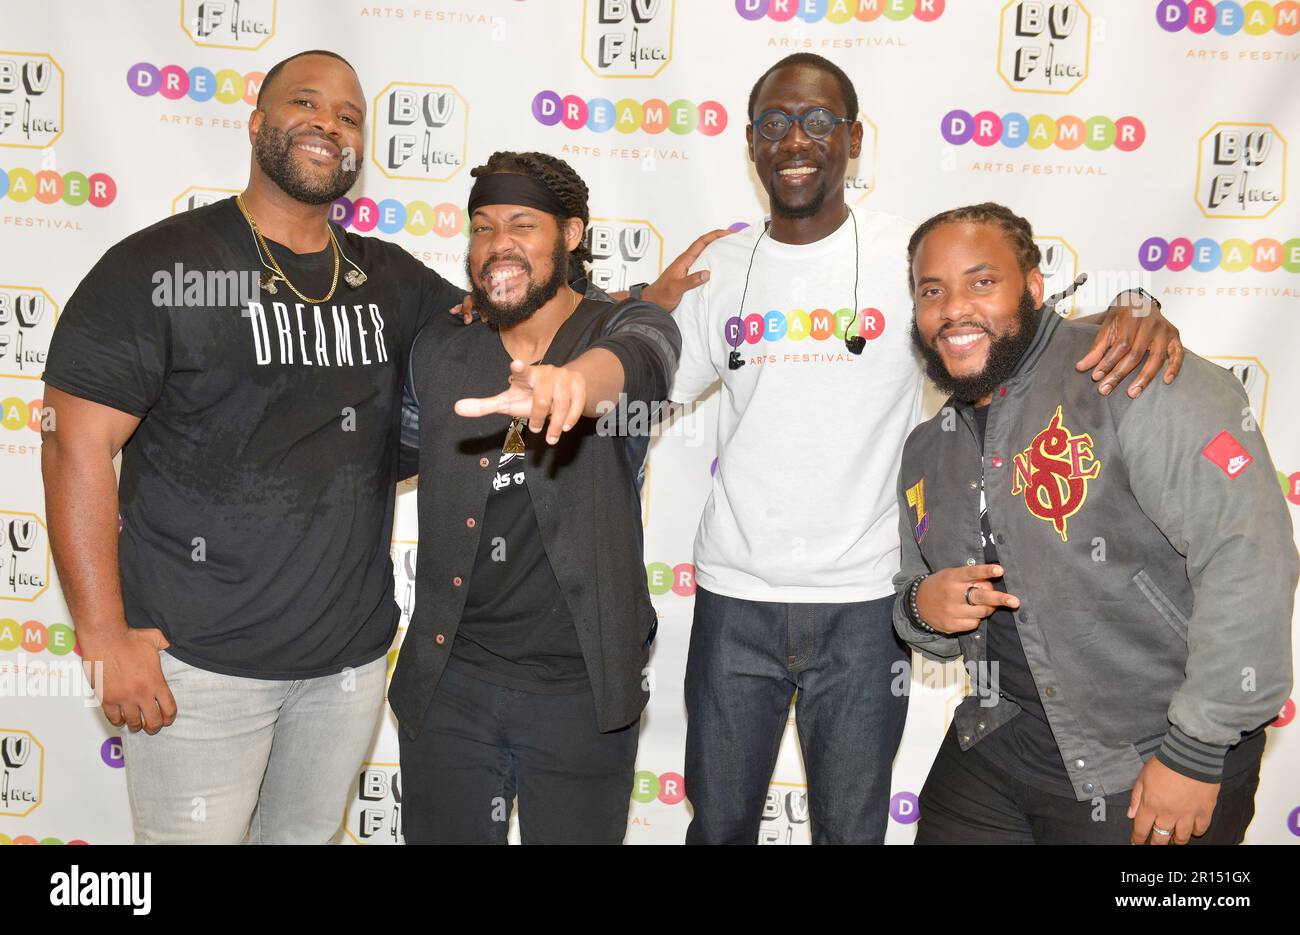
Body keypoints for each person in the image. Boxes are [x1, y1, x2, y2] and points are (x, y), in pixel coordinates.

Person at [666, 53, 1186, 844]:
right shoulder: (720, 269)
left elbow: (1021, 328)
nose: (795, 139)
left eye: (816, 121)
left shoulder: (907, 262)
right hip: (735, 599)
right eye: (774, 123)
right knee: (721, 826)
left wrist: (1137, 305)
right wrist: (639, 302)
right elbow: (638, 382)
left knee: (852, 829)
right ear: (750, 144)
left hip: (867, 603)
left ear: (854, 139)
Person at [40, 50, 468, 844]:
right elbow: (76, 444)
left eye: (348, 117)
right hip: (196, 668)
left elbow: (498, 333)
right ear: (256, 123)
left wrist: (634, 316)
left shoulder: (391, 280)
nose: (328, 124)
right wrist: (102, 637)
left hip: (346, 666)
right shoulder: (162, 266)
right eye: (305, 103)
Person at [894, 202, 1297, 845]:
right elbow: (922, 608)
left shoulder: (1129, 371)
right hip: (998, 742)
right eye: (931, 290)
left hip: (1148, 755)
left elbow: (1247, 555)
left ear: (1031, 288)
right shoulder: (927, 448)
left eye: (981, 282)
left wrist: (1195, 750)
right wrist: (921, 606)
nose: (954, 309)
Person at [388, 152, 681, 844]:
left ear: (572, 233)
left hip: (581, 692)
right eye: (483, 227)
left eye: (523, 223)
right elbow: (375, 457)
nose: (498, 244)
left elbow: (643, 358)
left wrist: (574, 383)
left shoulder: (624, 325)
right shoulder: (440, 348)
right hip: (450, 684)